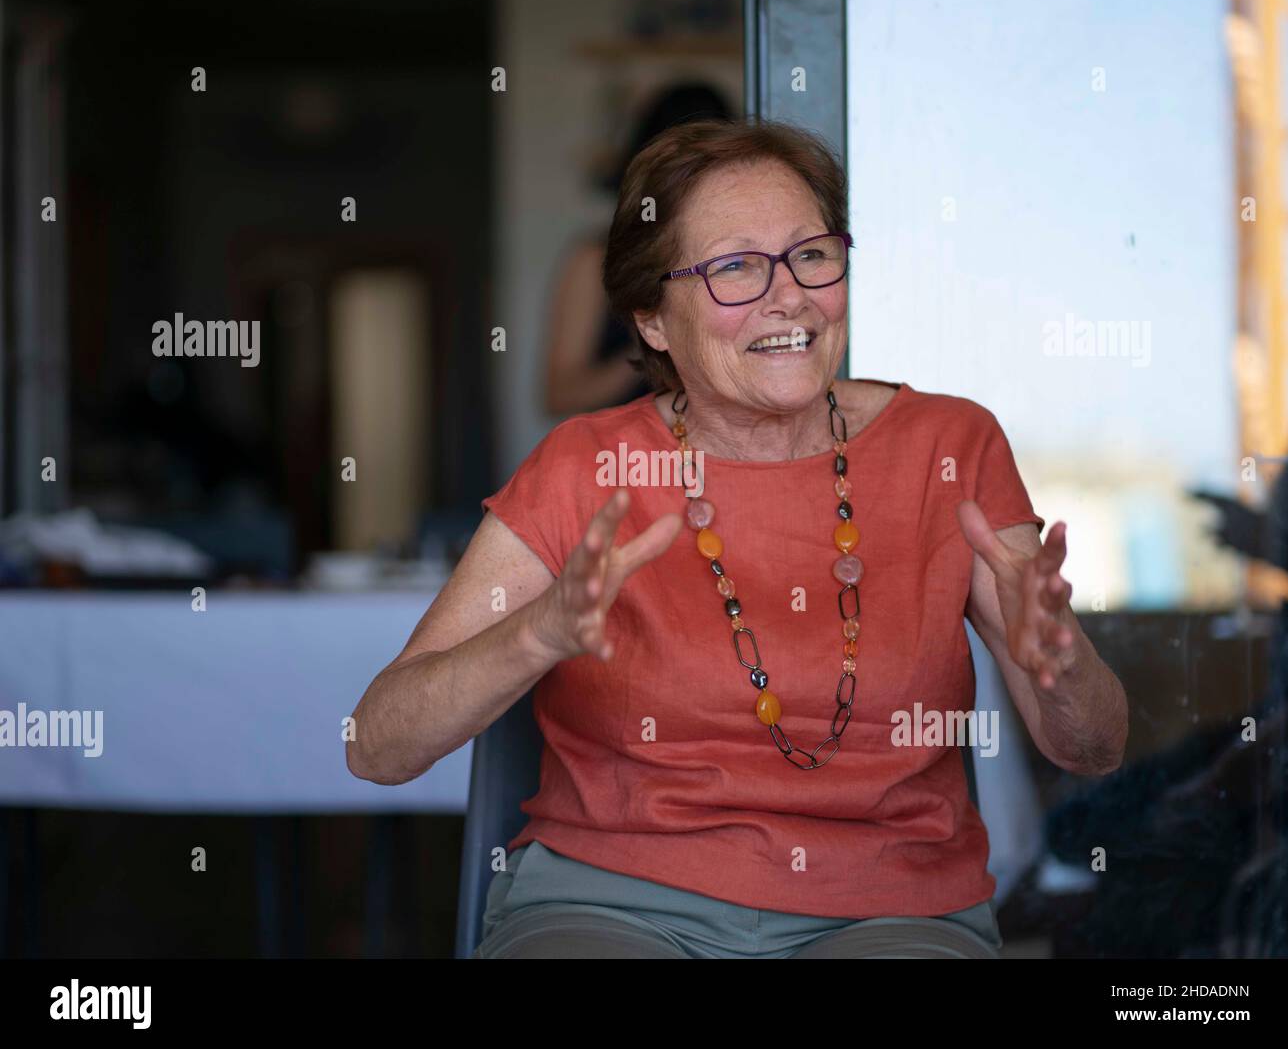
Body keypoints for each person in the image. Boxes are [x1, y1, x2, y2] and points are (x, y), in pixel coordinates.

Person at [348, 118, 1129, 959]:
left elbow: (1091, 748)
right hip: (613, 905)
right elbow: (379, 747)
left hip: (889, 912)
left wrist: (1060, 662)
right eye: (735, 268)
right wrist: (534, 633)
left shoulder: (950, 448)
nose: (788, 295)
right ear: (651, 319)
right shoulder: (586, 467)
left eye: (812, 256)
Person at [543, 83, 733, 416]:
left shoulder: (740, 257)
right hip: (626, 457)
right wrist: (652, 343)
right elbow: (560, 396)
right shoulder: (594, 259)